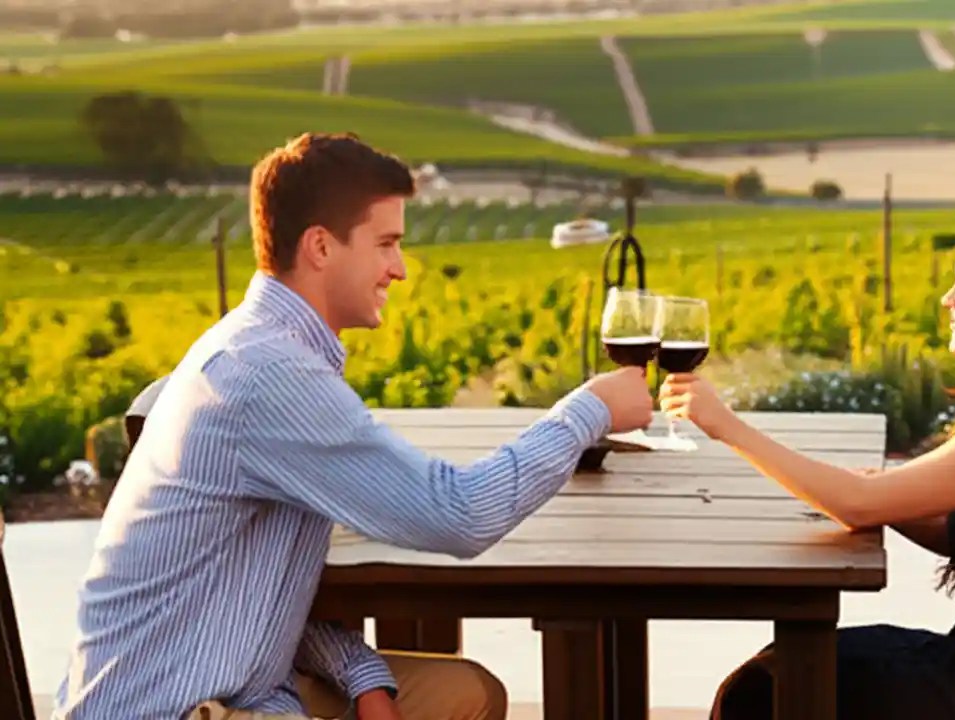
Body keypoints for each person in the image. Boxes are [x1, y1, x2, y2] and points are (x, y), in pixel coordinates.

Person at [53, 132, 654, 720]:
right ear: (320, 247)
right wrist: (590, 408)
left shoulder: (256, 347)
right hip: (175, 709)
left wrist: (361, 674)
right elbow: (459, 514)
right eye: (385, 244)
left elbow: (255, 599)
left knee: (465, 692)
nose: (399, 270)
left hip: (242, 687)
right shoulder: (268, 377)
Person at [659, 215, 955, 720]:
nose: (948, 299)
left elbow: (856, 507)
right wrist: (892, 498)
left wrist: (726, 425)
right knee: (781, 670)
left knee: (765, 691)